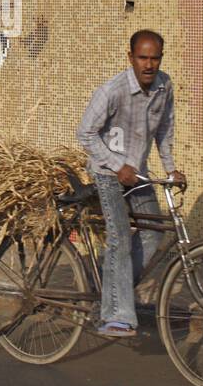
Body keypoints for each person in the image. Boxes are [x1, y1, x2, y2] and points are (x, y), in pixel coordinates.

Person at [77, 29, 187, 337]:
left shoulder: (164, 86)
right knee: (120, 237)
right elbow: (85, 132)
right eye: (142, 58)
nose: (149, 64)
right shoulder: (112, 91)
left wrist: (170, 169)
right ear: (131, 58)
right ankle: (116, 317)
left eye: (155, 58)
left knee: (153, 235)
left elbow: (165, 129)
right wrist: (115, 165)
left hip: (137, 173)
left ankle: (109, 283)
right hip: (107, 172)